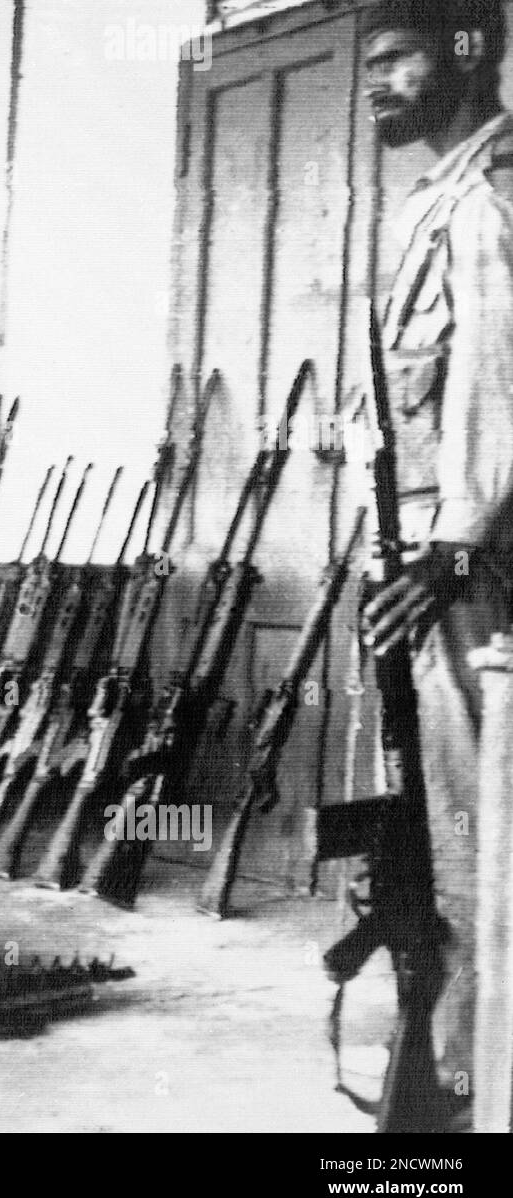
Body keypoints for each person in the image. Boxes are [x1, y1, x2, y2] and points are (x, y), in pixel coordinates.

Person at [357, 0, 513, 1116]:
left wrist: (454, 545)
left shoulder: (488, 199)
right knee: (424, 836)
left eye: (397, 59)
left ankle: (461, 1098)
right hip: (423, 554)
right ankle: (446, 1074)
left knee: (467, 840)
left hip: (464, 570)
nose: (376, 83)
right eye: (368, 64)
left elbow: (498, 383)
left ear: (467, 53)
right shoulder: (436, 196)